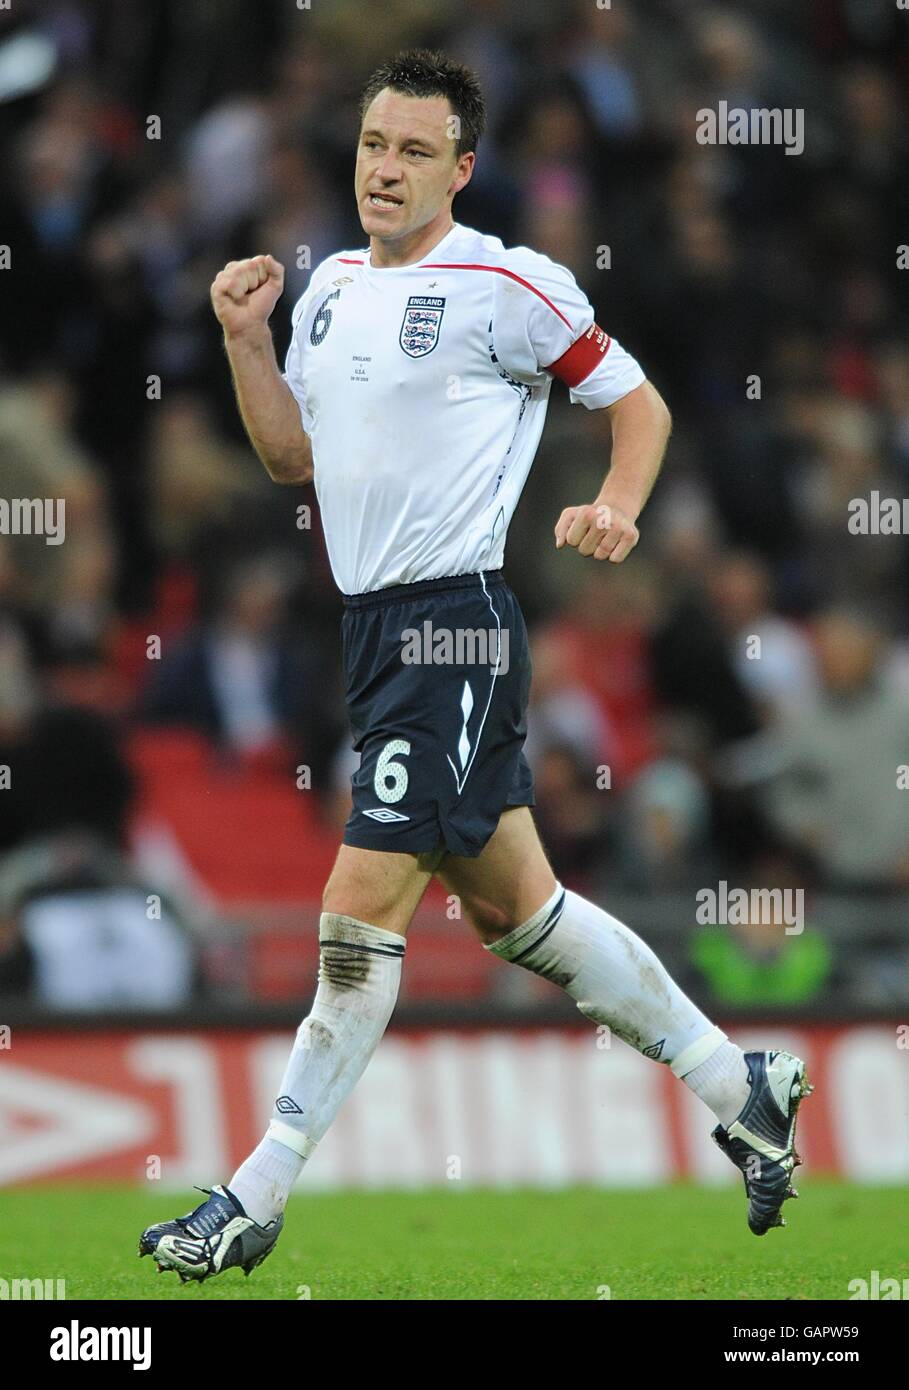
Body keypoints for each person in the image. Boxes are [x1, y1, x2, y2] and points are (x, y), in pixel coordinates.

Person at [140, 50, 811, 1284]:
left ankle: (252, 1192)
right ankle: (741, 1078)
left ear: (462, 166)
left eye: (412, 151)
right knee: (518, 912)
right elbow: (295, 462)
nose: (383, 170)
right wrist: (246, 338)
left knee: (357, 913)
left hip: (452, 625)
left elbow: (640, 402)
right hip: (371, 633)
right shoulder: (328, 286)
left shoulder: (509, 280)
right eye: (370, 145)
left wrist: (616, 504)